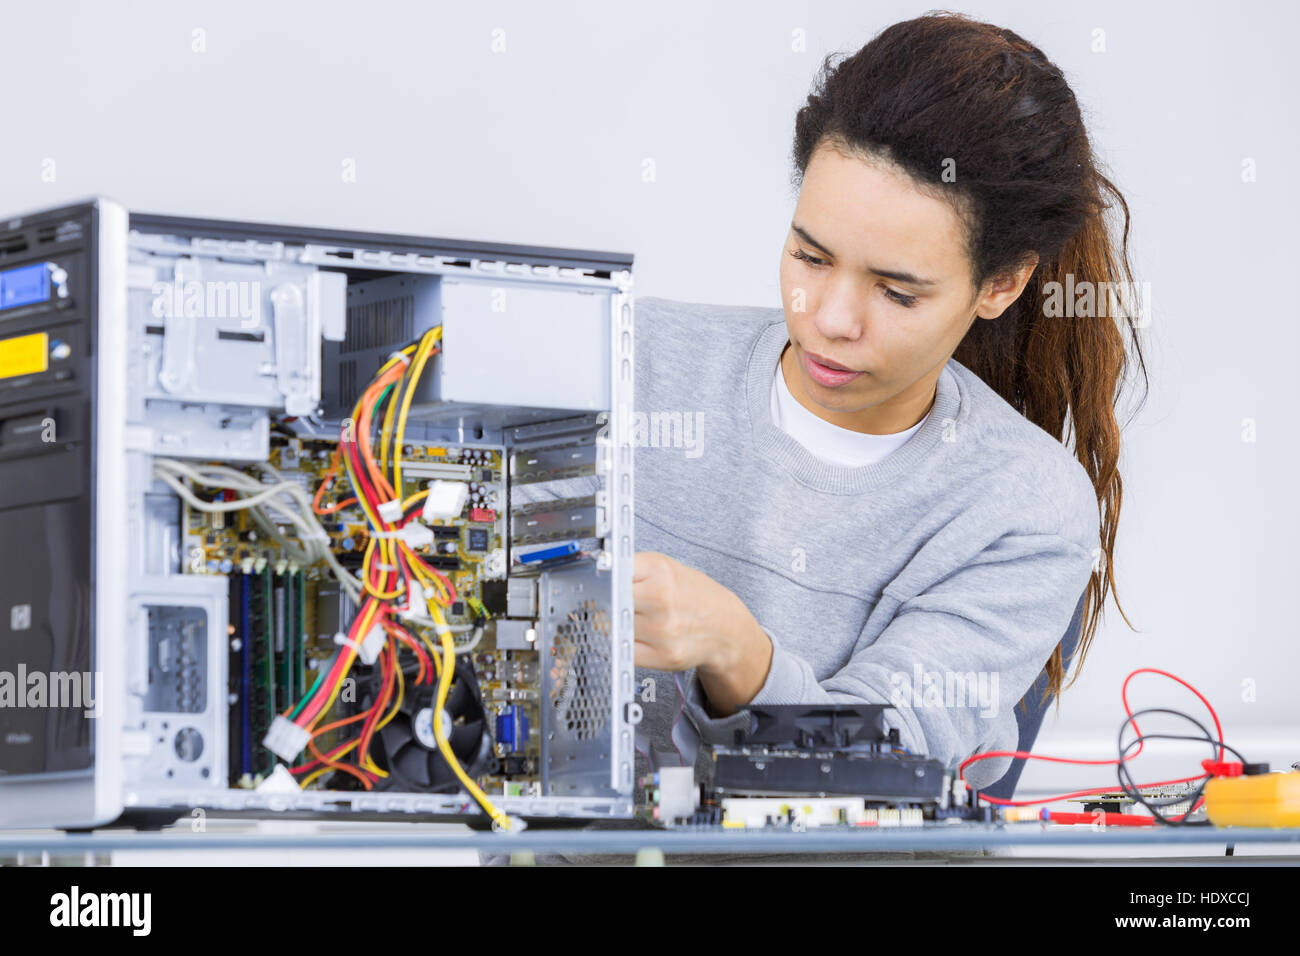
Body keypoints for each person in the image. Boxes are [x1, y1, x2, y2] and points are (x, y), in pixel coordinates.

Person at [489, 10, 1148, 866]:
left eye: (897, 293)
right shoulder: (635, 360)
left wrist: (739, 653)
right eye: (809, 256)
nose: (830, 319)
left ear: (1002, 284)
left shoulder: (1023, 504)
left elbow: (891, 772)